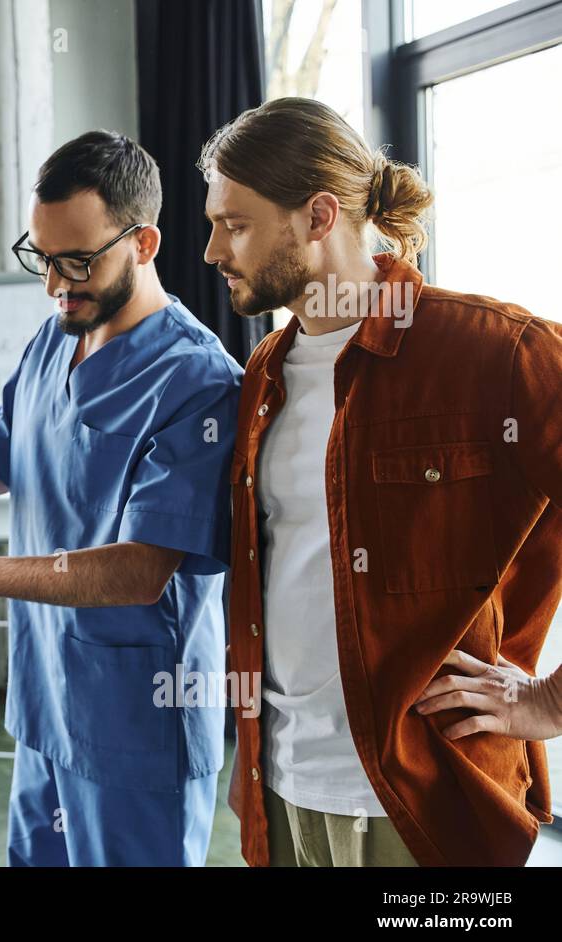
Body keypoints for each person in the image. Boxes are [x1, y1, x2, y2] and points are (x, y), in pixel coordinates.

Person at [0, 131, 242, 866]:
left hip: (137, 724)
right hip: (48, 702)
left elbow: (141, 570)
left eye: (79, 262)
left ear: (145, 242)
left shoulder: (198, 382)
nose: (56, 284)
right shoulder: (55, 338)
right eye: (42, 258)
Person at [200, 96, 562, 866]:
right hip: (285, 792)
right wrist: (250, 756)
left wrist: (548, 701)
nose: (211, 250)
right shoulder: (265, 372)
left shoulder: (498, 354)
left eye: (234, 223)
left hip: (428, 803)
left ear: (319, 216)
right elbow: (270, 580)